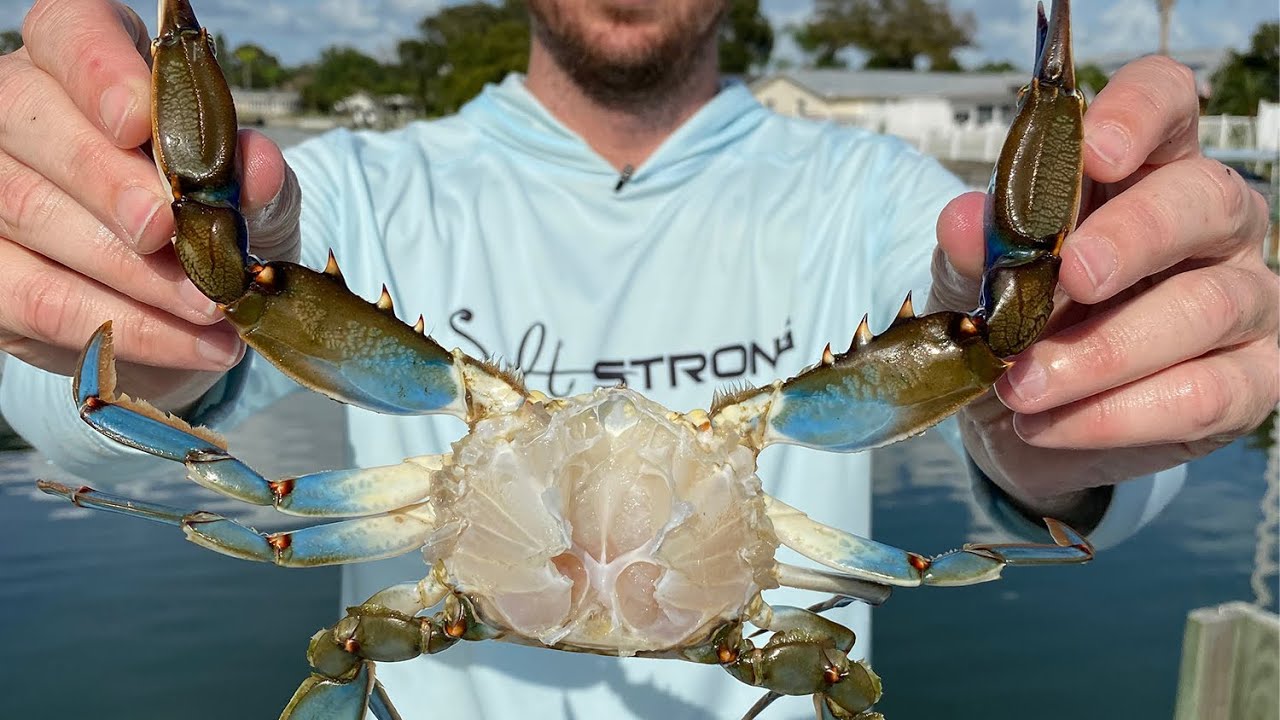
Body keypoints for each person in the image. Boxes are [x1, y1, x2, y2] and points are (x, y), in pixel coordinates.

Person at [1, 1, 1275, 718]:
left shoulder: (871, 198)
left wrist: (1059, 421)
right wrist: (129, 318)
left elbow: (1060, 441)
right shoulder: (355, 195)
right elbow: (87, 395)